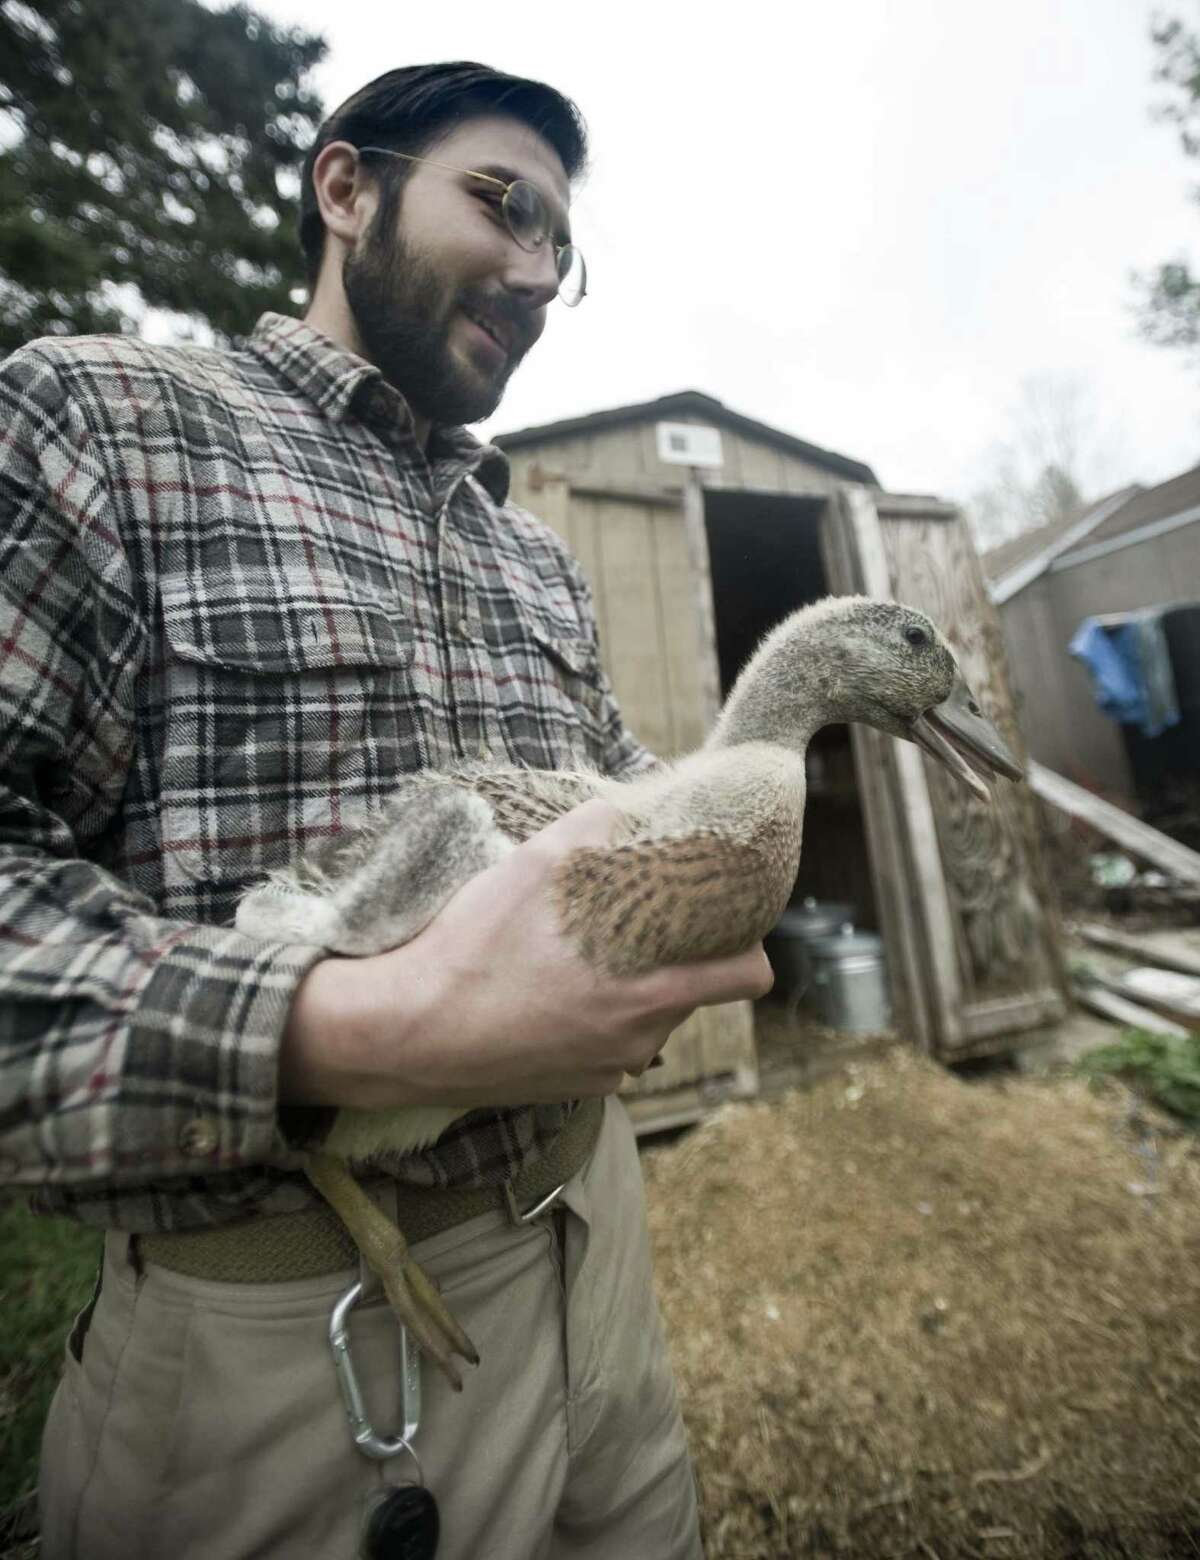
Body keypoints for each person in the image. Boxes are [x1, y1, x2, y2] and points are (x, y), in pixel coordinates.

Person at [1, 61, 772, 1560]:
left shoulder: (533, 559)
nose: (540, 271)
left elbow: (627, 817)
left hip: (591, 1243)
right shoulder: (97, 421)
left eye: (567, 247)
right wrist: (359, 1029)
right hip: (282, 1336)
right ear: (346, 188)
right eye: (504, 204)